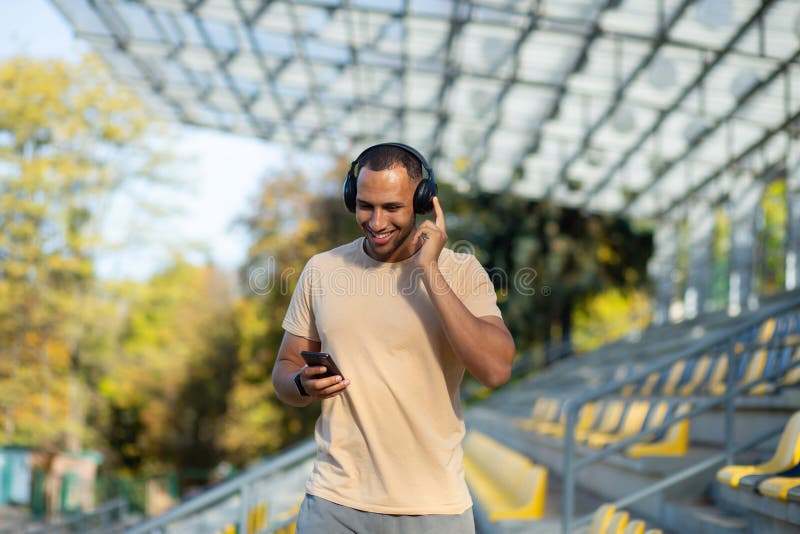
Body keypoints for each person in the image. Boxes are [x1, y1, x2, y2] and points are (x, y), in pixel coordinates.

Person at [272, 142, 515, 533]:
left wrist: (430, 271)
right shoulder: (322, 269)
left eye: (392, 208)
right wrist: (301, 383)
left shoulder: (462, 272)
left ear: (421, 202)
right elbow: (284, 371)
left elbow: (496, 369)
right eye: (365, 205)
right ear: (352, 197)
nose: (376, 221)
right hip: (334, 503)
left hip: (434, 509)